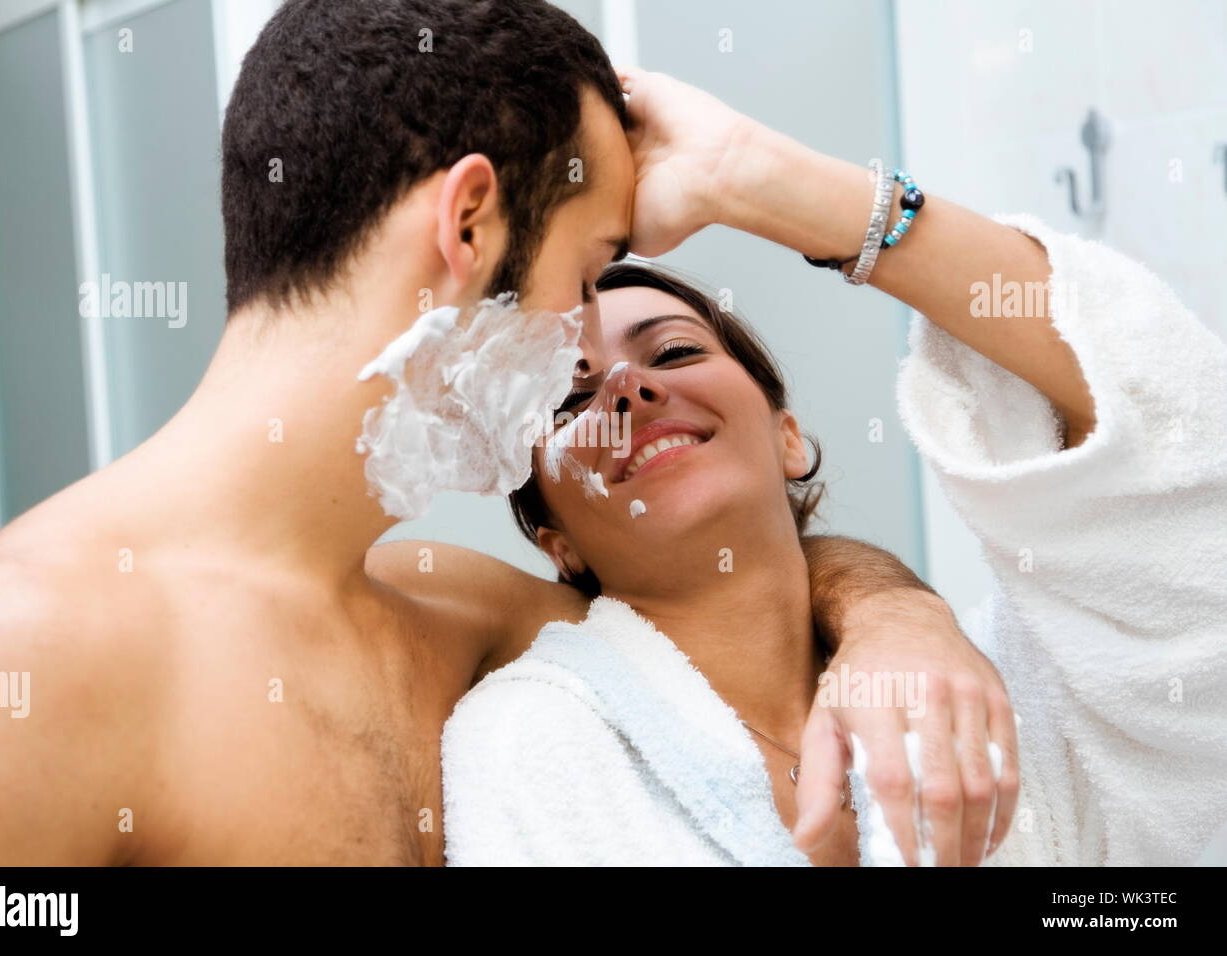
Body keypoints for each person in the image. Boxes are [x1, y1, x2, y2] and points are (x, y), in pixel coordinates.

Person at [0, 1, 1001, 865]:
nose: (594, 354)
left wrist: (900, 623)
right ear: (470, 222)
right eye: (587, 274)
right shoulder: (7, 657)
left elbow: (738, 585)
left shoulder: (450, 613)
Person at [440, 70, 1227, 867]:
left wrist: (752, 175)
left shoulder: (996, 692)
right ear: (554, 540)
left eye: (674, 351)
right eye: (570, 400)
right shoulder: (533, 743)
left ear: (787, 436)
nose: (629, 388)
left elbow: (1177, 450)